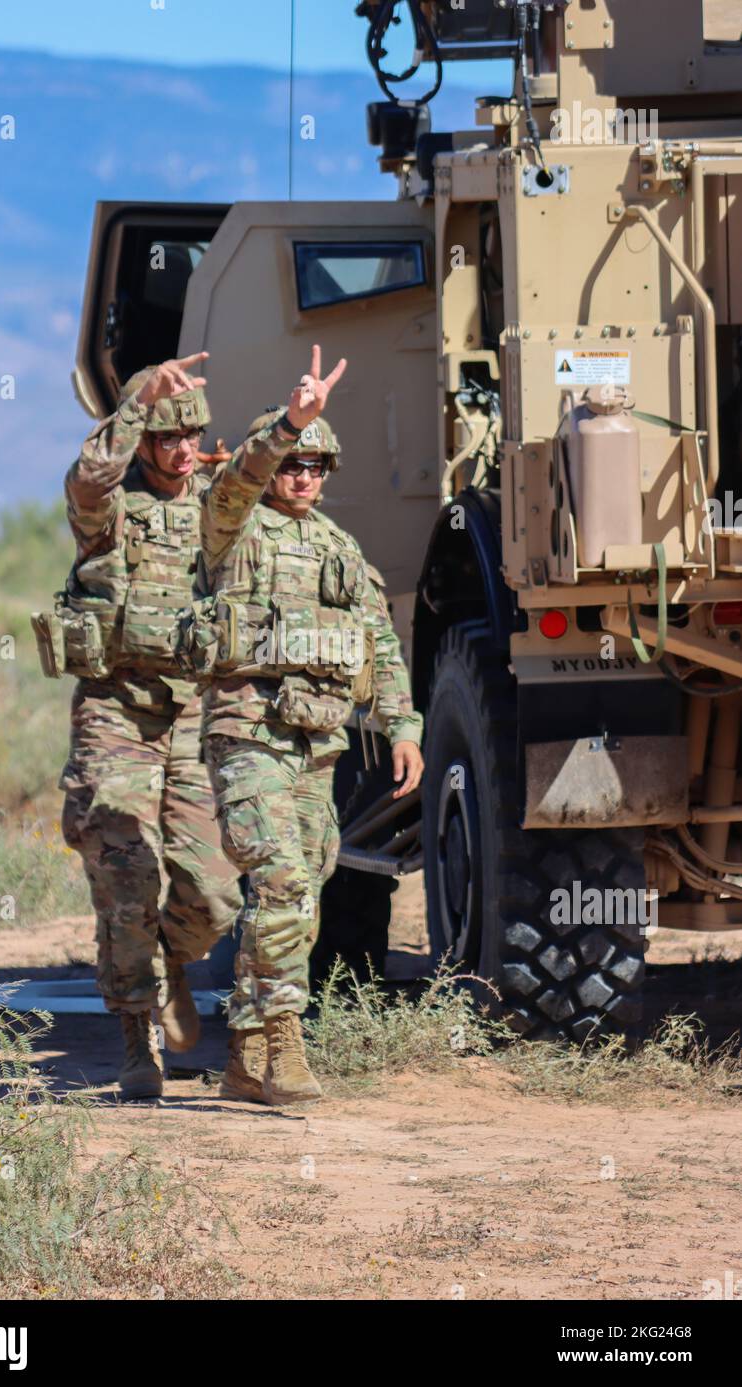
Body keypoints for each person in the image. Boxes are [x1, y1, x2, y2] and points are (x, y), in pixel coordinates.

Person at [198, 344, 424, 1106]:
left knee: (299, 894)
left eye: (316, 465)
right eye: (294, 461)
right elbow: (237, 482)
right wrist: (289, 422)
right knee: (283, 877)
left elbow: (380, 642)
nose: (302, 475)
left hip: (318, 747)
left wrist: (402, 726)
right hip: (249, 736)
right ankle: (286, 1044)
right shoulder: (233, 530)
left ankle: (244, 1050)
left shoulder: (341, 551)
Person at [33, 354, 243, 1101]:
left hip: (191, 714)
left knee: (215, 895)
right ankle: (137, 1037)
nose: (184, 449)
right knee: (127, 879)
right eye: (167, 437)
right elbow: (85, 480)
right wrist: (132, 404)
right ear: (145, 442)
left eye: (193, 436)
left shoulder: (215, 509)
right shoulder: (110, 509)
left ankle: (174, 964)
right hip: (116, 712)